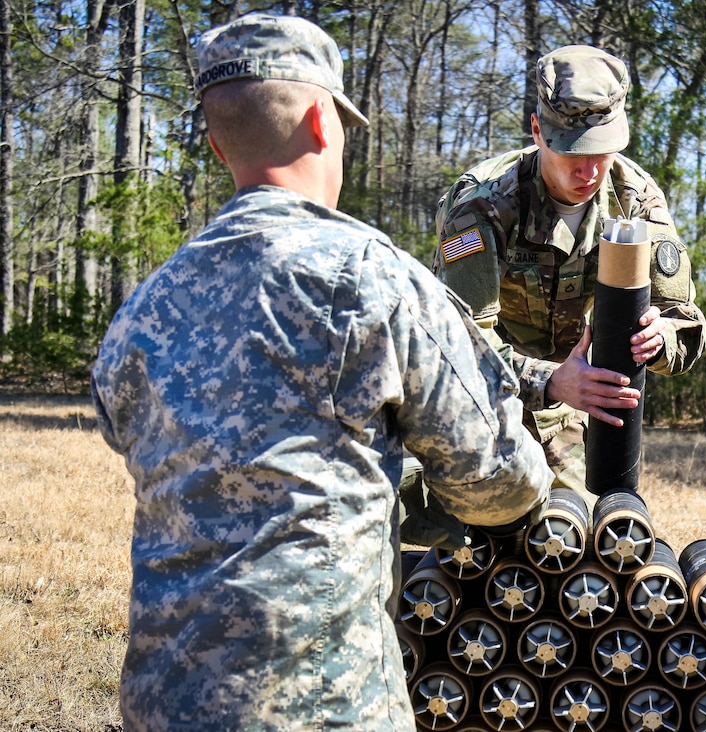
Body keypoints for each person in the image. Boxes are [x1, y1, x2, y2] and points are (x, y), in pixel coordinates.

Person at [90, 14, 552, 730]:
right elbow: (499, 483)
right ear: (319, 119)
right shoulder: (370, 278)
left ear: (216, 143)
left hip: (161, 705)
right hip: (324, 706)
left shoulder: (141, 312)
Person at [432, 45, 706, 501]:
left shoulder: (635, 201)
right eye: (572, 153)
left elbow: (685, 322)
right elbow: (457, 347)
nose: (589, 170)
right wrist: (550, 380)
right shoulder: (482, 206)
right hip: (483, 403)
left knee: (589, 539)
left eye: (601, 152)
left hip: (575, 413)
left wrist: (660, 339)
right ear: (538, 132)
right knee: (473, 543)